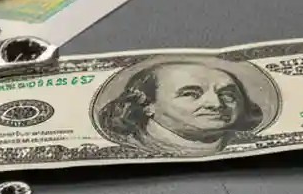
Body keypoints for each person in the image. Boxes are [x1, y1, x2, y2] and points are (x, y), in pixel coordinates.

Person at [97, 61, 267, 157]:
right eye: (191, 94)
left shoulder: (251, 142)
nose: (215, 104)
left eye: (227, 95)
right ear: (147, 104)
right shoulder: (130, 147)